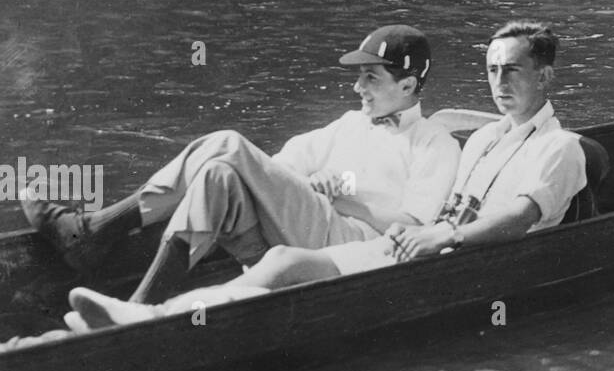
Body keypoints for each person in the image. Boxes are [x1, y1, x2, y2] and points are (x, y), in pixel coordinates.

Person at [63, 21, 590, 331]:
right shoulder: (480, 138)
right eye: (493, 70)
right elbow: (278, 170)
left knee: (274, 237)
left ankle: (134, 286)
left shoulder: (559, 147)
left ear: (545, 76)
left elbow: (519, 217)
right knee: (229, 181)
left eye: (513, 70)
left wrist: (433, 231)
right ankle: (149, 312)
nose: (499, 81)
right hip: (414, 245)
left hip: (427, 251)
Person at [21, 25, 461, 303]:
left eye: (371, 78)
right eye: (359, 75)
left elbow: (411, 227)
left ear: (407, 84)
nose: (356, 87)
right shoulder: (347, 124)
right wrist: (312, 179)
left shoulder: (434, 143)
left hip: (355, 245)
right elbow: (275, 168)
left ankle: (95, 231)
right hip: (303, 226)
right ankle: (142, 304)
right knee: (219, 174)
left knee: (229, 144)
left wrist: (349, 194)